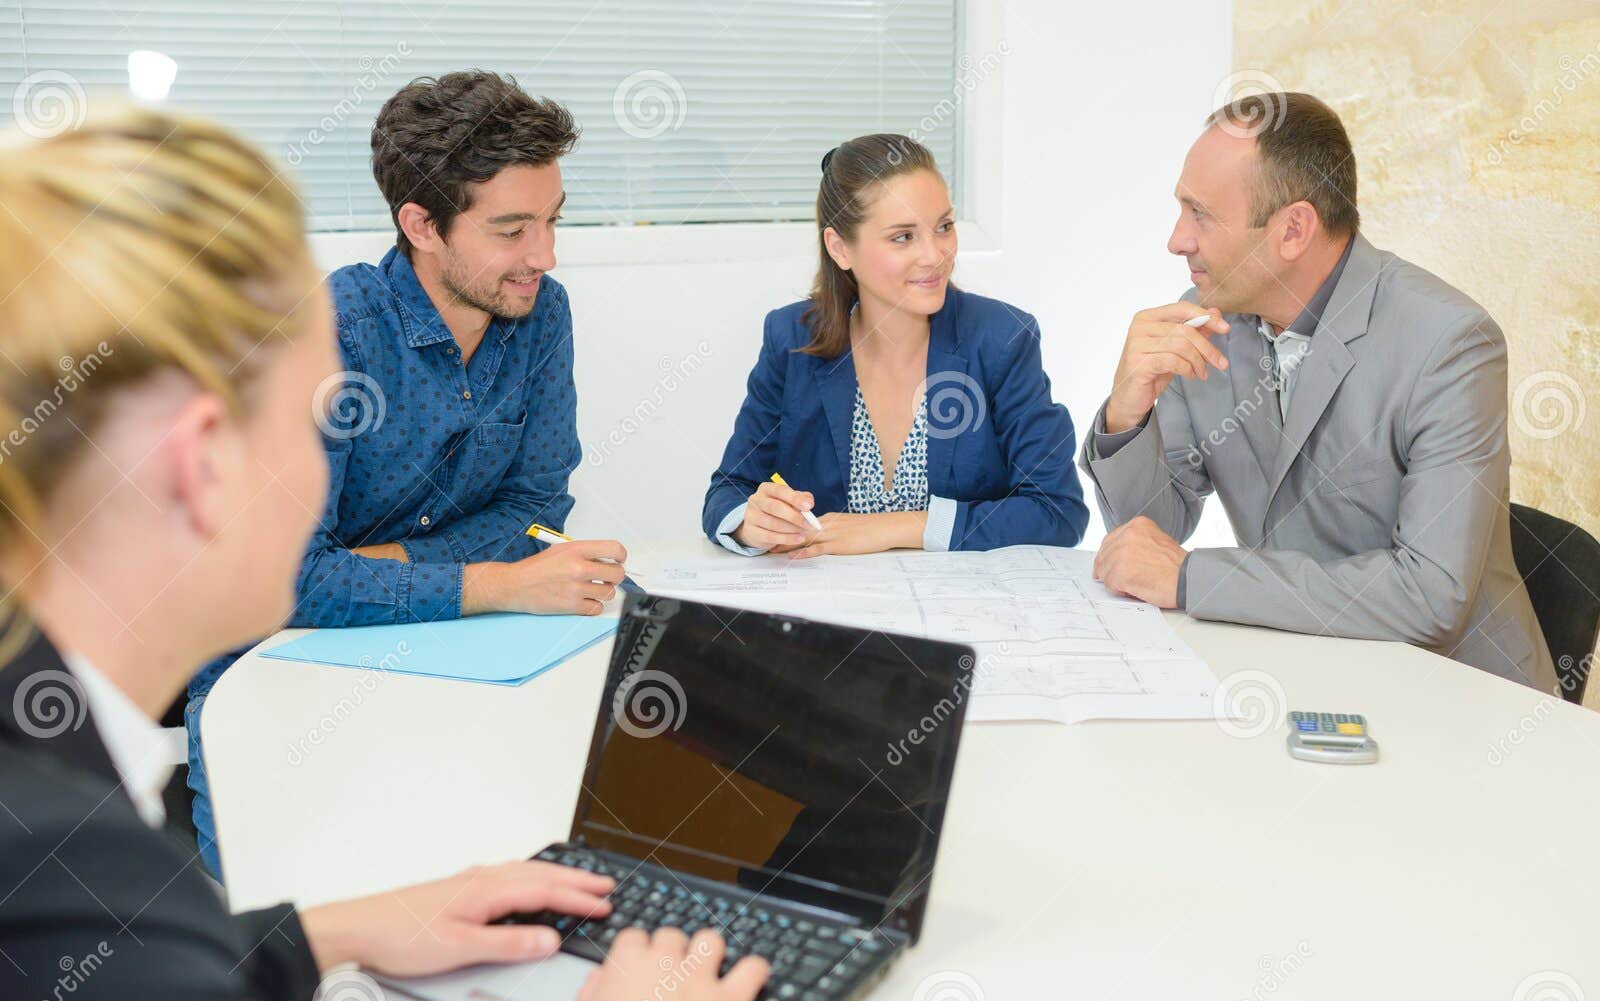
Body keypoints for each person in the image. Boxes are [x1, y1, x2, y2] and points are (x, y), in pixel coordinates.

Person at [0, 108, 765, 1001]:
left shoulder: (64, 781)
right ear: (203, 464)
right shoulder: (72, 865)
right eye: (303, 419)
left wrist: (331, 933)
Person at [184, 71, 630, 875]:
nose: (545, 256)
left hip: (448, 658)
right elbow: (281, 587)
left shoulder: (541, 312)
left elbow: (535, 509)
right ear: (421, 224)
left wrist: (381, 568)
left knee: (514, 861)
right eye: (512, 229)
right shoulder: (328, 335)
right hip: (273, 671)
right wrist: (495, 583)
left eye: (553, 222)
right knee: (290, 922)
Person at [1082, 92, 1556, 691]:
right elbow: (1148, 539)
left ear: (1294, 229)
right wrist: (1128, 413)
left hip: (1462, 704)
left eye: (1200, 214)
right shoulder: (1204, 322)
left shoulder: (1450, 343)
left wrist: (1195, 580)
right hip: (1303, 680)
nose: (1177, 240)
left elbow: (1431, 598)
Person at [703, 133, 1088, 558]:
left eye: (943, 226)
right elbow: (730, 490)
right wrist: (750, 523)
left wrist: (900, 527)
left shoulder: (1001, 338)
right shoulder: (792, 340)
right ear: (840, 248)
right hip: (829, 611)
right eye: (903, 237)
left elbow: (1057, 512)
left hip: (960, 615)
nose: (935, 255)